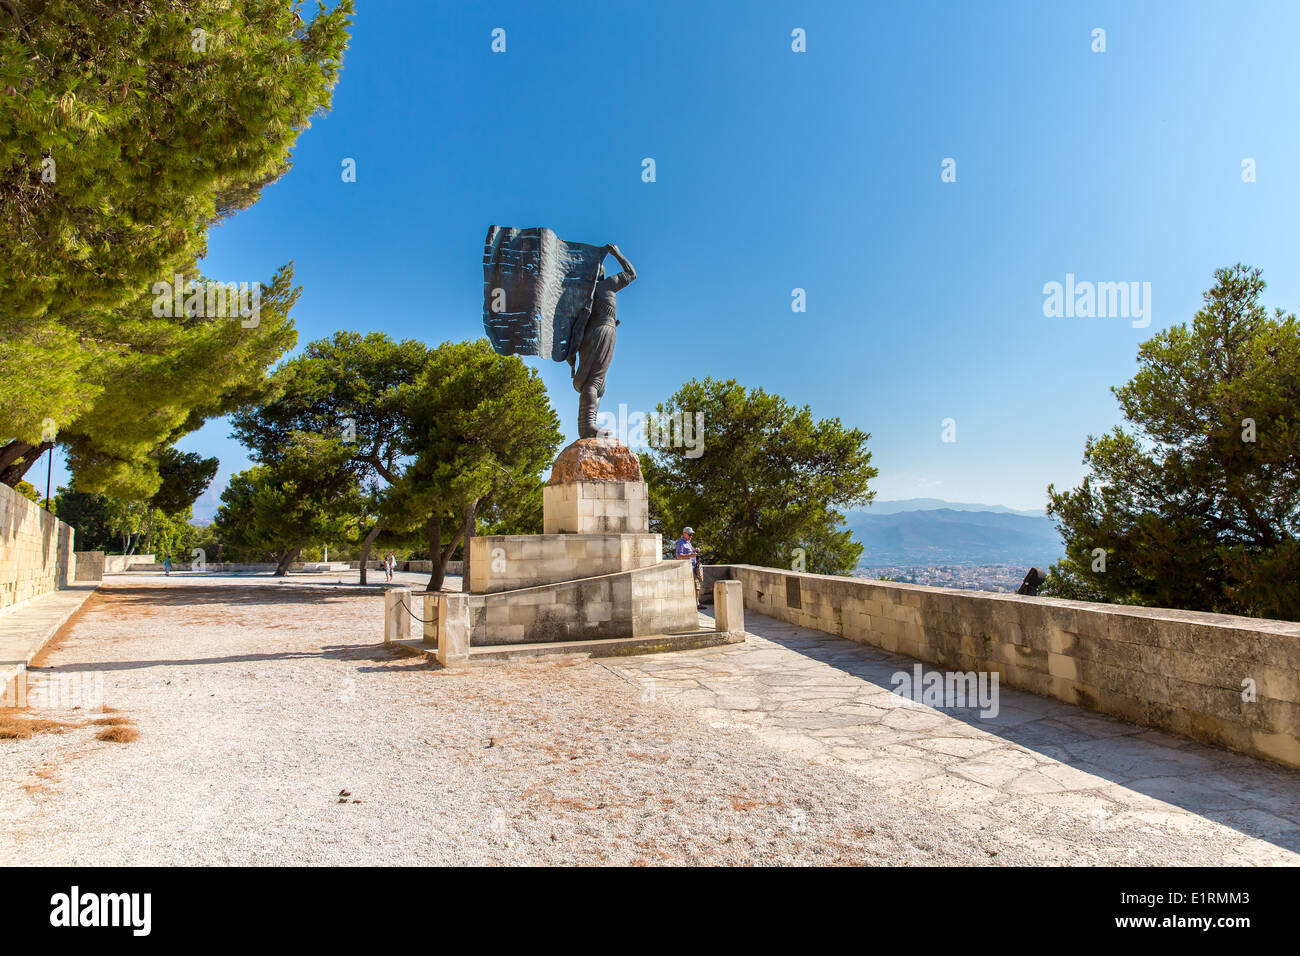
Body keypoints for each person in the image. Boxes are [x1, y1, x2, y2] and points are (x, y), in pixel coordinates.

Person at [569, 244, 636, 439]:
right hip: (603, 332)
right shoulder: (606, 286)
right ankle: (587, 425)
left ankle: (588, 425)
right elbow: (631, 274)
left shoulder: (583, 294)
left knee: (598, 381)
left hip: (590, 335)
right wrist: (617, 253)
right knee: (596, 379)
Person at [673, 527, 704, 609]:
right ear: (684, 534)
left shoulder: (688, 542)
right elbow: (678, 556)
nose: (691, 536)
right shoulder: (681, 543)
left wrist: (695, 550)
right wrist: (689, 555)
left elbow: (690, 552)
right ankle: (696, 604)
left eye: (692, 535)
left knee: (697, 585)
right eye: (690, 534)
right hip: (687, 568)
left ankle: (696, 603)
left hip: (693, 566)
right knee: (696, 585)